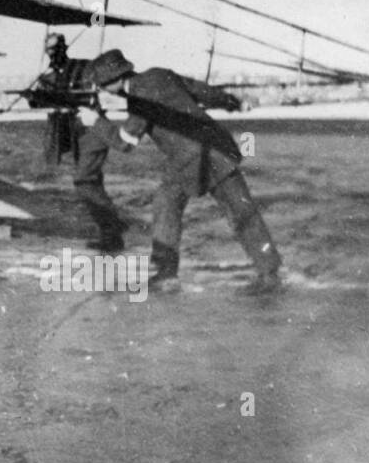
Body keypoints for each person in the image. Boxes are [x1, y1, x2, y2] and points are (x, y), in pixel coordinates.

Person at [85, 48, 282, 295]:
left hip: (189, 158)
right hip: (216, 148)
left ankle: (167, 275)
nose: (101, 92)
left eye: (102, 87)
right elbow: (201, 90)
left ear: (112, 83)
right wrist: (235, 102)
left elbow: (125, 142)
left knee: (171, 205)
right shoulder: (159, 75)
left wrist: (96, 123)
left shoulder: (138, 99)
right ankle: (269, 272)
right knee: (237, 209)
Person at [27, 33, 127, 252]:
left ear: (65, 47)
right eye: (49, 50)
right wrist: (33, 96)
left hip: (93, 130)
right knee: (91, 181)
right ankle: (111, 231)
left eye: (57, 48)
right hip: (76, 135)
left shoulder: (84, 67)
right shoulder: (48, 77)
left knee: (84, 181)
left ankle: (113, 233)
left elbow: (101, 83)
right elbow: (38, 101)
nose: (53, 53)